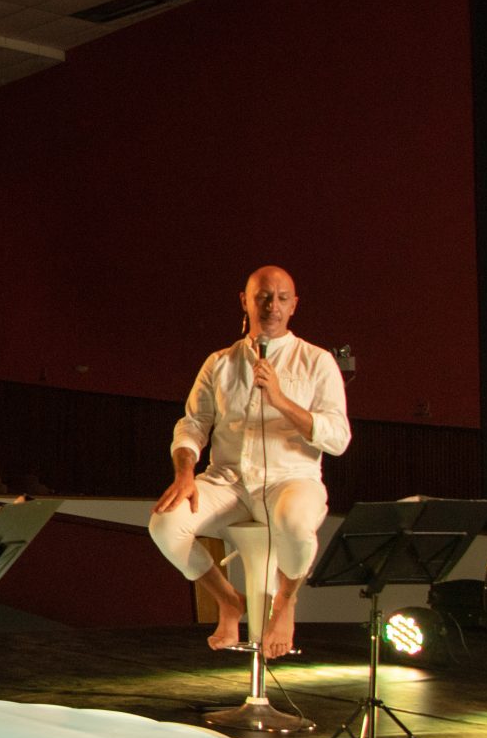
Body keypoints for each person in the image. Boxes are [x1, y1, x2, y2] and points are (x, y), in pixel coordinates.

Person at [149, 266, 351, 660]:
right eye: (262, 297)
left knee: (294, 523)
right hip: (230, 482)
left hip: (291, 478)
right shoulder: (219, 363)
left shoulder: (317, 361)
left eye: (280, 298)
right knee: (164, 524)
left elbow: (338, 438)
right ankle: (229, 601)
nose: (271, 306)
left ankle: (286, 602)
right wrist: (185, 472)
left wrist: (280, 399)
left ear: (294, 305)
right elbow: (193, 424)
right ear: (245, 300)